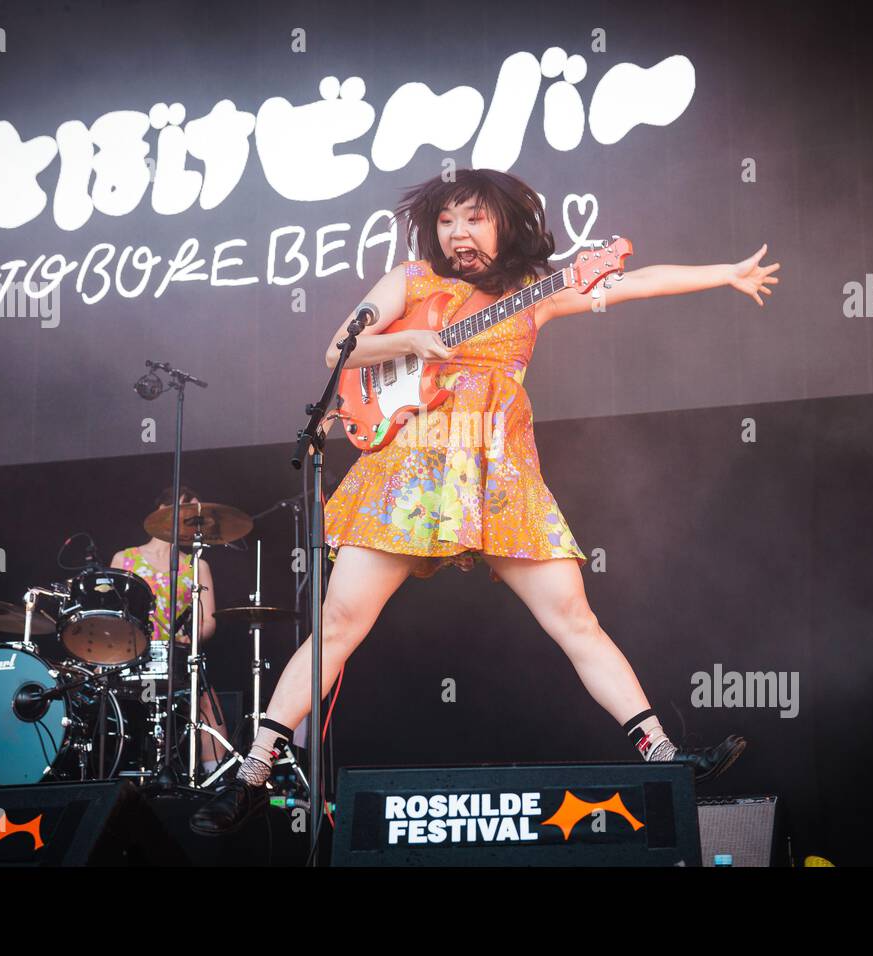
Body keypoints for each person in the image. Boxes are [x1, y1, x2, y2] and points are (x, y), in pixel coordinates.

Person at [191, 168, 780, 835]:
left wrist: (723, 273)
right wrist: (410, 340)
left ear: (504, 222)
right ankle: (251, 775)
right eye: (446, 220)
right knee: (338, 628)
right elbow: (340, 348)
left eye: (472, 218)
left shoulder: (535, 291)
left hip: (499, 473)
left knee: (574, 620)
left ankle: (670, 756)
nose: (457, 233)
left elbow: (633, 282)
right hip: (409, 471)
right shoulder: (412, 280)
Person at [112, 485, 231, 780]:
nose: (194, 524)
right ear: (164, 512)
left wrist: (192, 638)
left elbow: (208, 622)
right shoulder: (124, 559)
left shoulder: (196, 565)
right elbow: (110, 616)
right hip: (130, 656)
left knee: (208, 703)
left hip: (176, 657)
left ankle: (214, 778)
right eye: (188, 514)